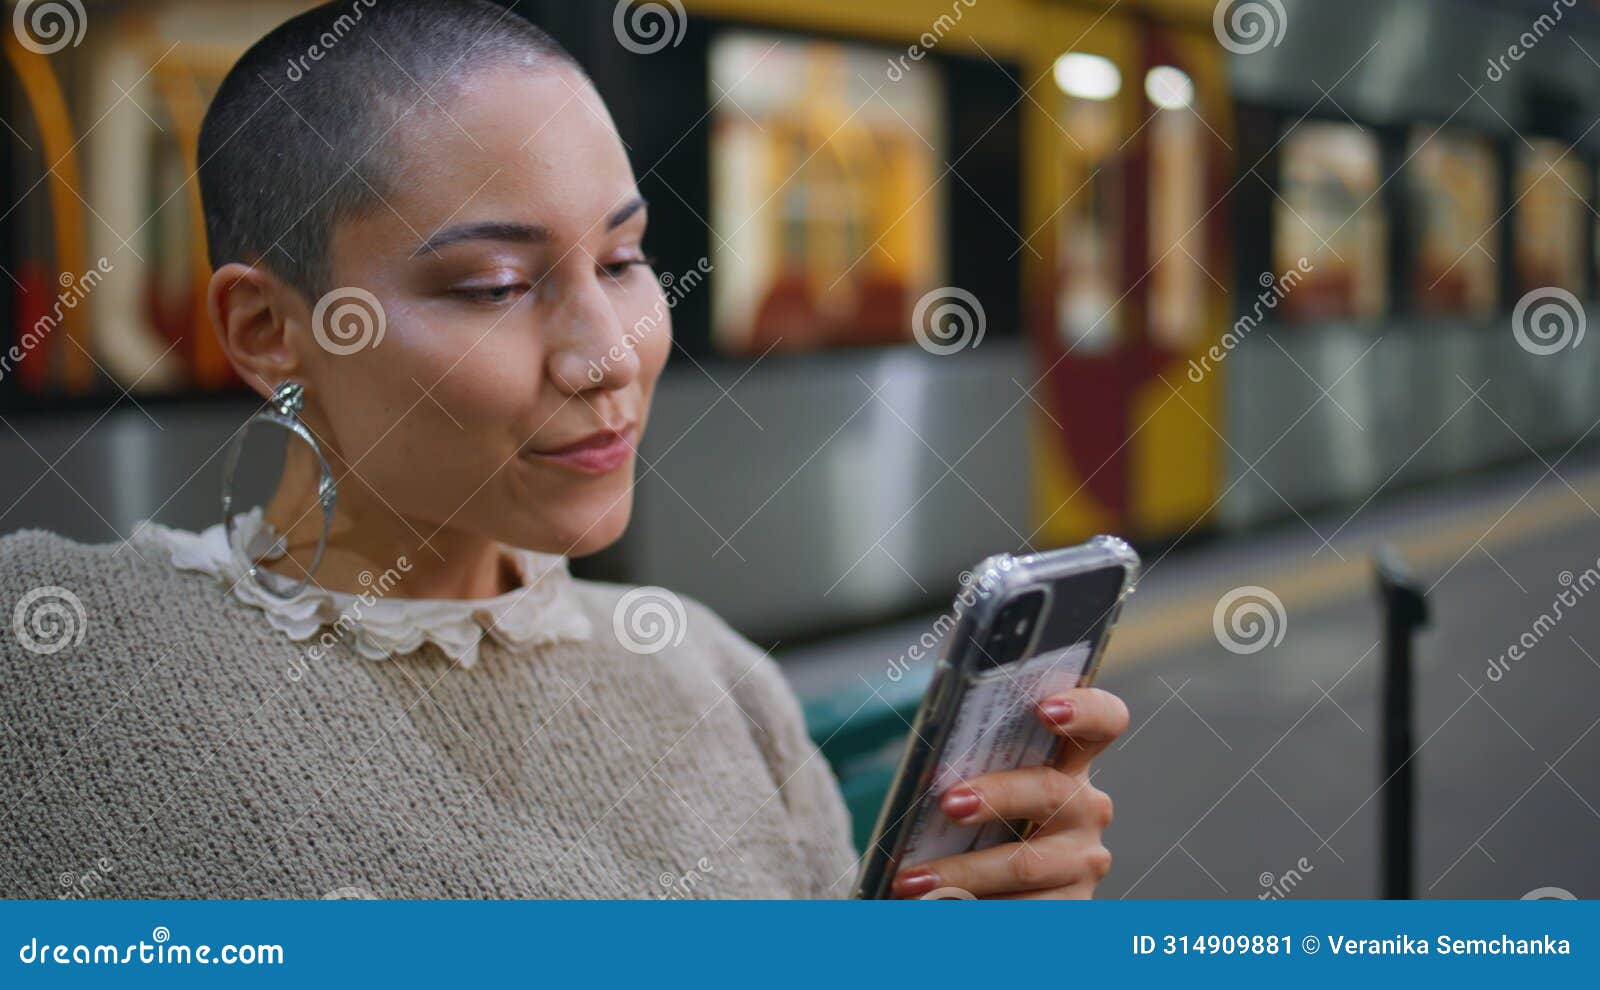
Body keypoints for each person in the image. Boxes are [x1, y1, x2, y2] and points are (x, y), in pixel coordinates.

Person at [0, 0, 1126, 899]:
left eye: (626, 260)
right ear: (267, 330)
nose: (608, 355)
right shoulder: (52, 653)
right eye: (493, 285)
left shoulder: (717, 679)